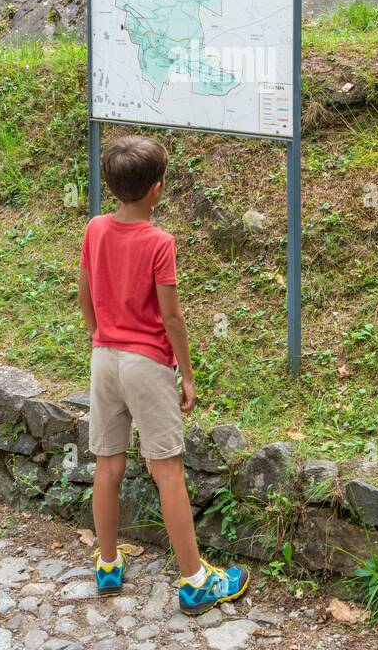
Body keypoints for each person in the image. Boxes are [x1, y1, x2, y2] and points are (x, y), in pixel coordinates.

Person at [78, 133, 250, 615]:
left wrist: (101, 335)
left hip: (104, 358)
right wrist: (187, 374)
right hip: (146, 364)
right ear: (157, 188)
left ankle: (108, 564)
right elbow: (171, 316)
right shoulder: (159, 242)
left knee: (108, 464)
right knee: (167, 469)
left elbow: (85, 294)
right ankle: (195, 581)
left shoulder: (94, 229)